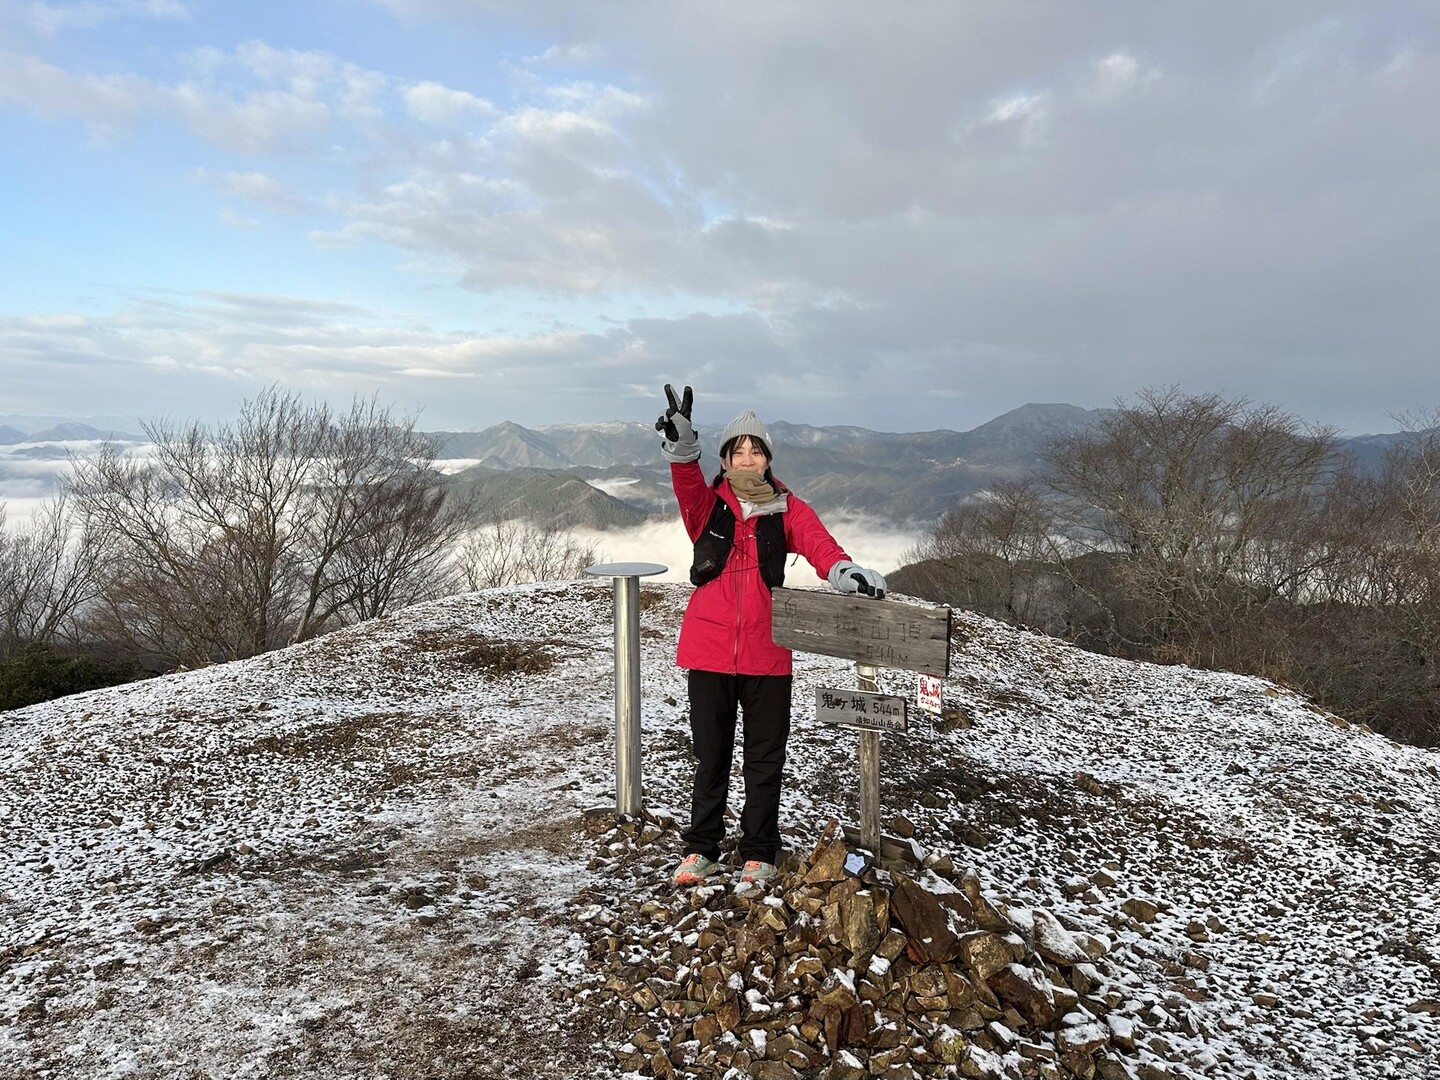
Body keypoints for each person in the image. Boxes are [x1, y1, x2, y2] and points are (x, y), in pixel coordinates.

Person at [656, 384, 887, 887]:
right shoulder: (705, 506)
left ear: (766, 460)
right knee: (711, 755)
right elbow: (685, 478)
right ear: (725, 458)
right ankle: (702, 849)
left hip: (768, 650)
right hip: (710, 649)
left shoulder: (787, 508)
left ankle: (760, 851)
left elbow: (820, 544)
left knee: (764, 757)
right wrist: (682, 443)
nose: (745, 458)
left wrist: (845, 571)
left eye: (754, 450)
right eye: (737, 450)